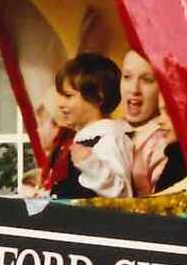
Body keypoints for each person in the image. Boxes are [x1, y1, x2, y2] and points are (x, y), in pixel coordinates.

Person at [41, 53, 134, 200]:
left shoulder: (109, 139)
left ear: (98, 96)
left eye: (68, 96)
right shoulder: (82, 140)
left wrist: (90, 163)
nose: (60, 104)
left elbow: (121, 194)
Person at [120, 50, 187, 196]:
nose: (134, 89)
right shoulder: (110, 129)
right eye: (127, 77)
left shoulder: (167, 140)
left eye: (147, 80)